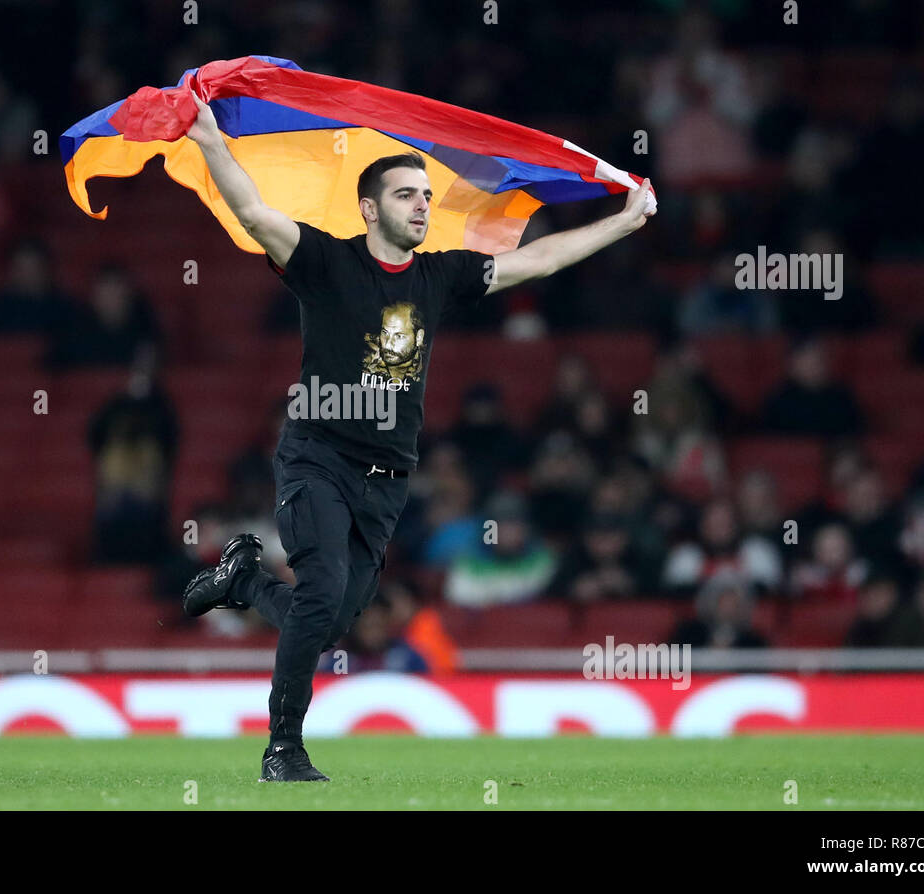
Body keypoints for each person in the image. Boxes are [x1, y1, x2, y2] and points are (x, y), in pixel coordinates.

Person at [177, 87, 655, 781]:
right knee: (319, 595)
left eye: (426, 194)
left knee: (331, 619)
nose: (423, 204)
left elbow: (537, 261)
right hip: (318, 455)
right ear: (370, 208)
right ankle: (283, 747)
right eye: (406, 194)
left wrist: (621, 221)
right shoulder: (325, 261)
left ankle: (245, 577)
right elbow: (252, 211)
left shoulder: (441, 272)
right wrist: (209, 138)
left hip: (388, 477)